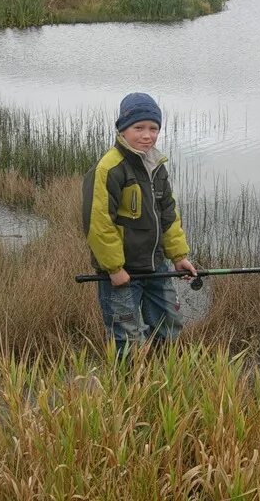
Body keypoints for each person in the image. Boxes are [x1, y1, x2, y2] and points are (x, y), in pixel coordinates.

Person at [82, 92, 196, 356]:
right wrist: (114, 268)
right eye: (139, 128)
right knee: (127, 338)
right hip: (121, 273)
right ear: (122, 129)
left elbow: (168, 214)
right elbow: (97, 224)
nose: (147, 135)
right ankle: (126, 388)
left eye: (153, 128)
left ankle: (162, 380)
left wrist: (179, 256)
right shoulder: (109, 168)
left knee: (169, 325)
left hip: (157, 266)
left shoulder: (157, 166)